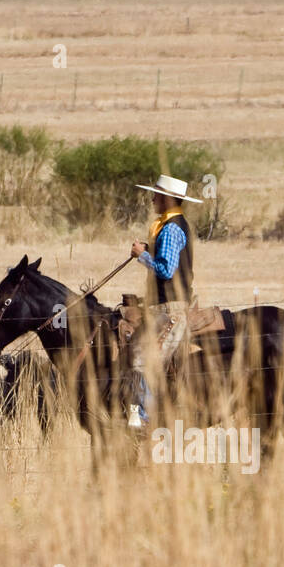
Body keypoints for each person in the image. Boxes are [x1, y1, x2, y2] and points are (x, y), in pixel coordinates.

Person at [124, 174, 202, 426]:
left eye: (156, 194)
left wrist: (142, 256)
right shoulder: (168, 225)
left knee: (141, 359)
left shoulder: (170, 228)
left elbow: (166, 270)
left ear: (168, 199)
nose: (152, 199)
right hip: (164, 306)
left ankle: (144, 420)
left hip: (169, 309)